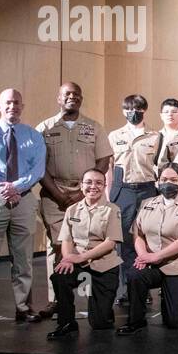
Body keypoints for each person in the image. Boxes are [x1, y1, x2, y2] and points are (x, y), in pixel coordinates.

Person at [35, 81, 111, 320]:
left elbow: (103, 162)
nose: (72, 97)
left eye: (77, 94)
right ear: (59, 98)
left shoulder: (94, 127)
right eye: (67, 94)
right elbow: (38, 166)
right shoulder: (44, 128)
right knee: (57, 246)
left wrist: (84, 192)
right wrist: (58, 194)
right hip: (53, 194)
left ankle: (89, 296)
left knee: (87, 244)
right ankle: (56, 299)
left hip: (86, 195)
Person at [115, 162, 178, 334]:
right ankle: (136, 320)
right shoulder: (147, 203)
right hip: (152, 264)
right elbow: (137, 233)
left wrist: (157, 256)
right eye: (163, 179)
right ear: (157, 181)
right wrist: (143, 256)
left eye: (173, 179)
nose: (167, 183)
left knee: (174, 323)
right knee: (135, 275)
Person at [47, 167, 122, 337]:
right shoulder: (72, 210)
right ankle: (66, 322)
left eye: (98, 183)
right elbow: (66, 239)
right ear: (81, 186)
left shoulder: (112, 210)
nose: (93, 186)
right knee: (60, 276)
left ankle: (104, 311)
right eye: (88, 182)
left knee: (100, 324)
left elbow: (110, 243)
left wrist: (80, 257)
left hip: (103, 267)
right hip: (80, 266)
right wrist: (67, 259)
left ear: (104, 186)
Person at [106, 94, 162, 304]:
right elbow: (109, 169)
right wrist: (109, 196)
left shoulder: (156, 137)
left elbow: (160, 166)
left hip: (147, 189)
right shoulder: (114, 136)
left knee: (146, 239)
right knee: (124, 241)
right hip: (123, 191)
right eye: (129, 109)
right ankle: (126, 288)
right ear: (123, 110)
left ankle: (143, 286)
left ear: (144, 111)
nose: (134, 113)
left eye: (138, 109)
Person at [155, 98, 178, 166]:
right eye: (166, 112)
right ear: (161, 116)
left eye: (174, 112)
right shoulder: (156, 137)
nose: (170, 114)